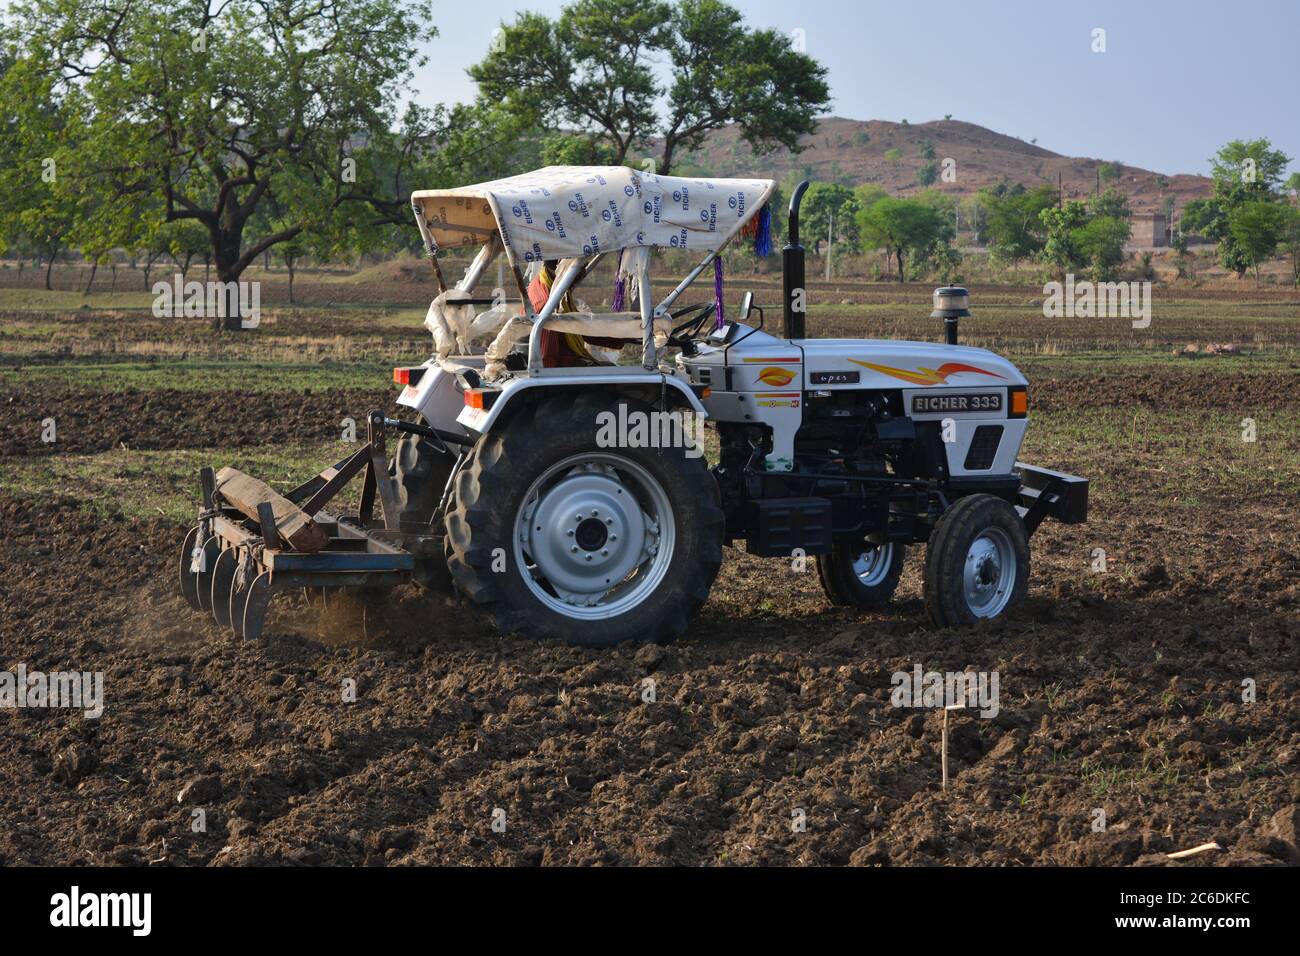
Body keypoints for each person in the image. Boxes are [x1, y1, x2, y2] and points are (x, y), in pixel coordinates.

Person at [527, 260, 628, 368]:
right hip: (563, 372)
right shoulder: (547, 306)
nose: (584, 273)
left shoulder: (548, 284)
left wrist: (622, 335)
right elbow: (547, 362)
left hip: (569, 364)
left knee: (609, 367)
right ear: (562, 266)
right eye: (580, 267)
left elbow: (576, 328)